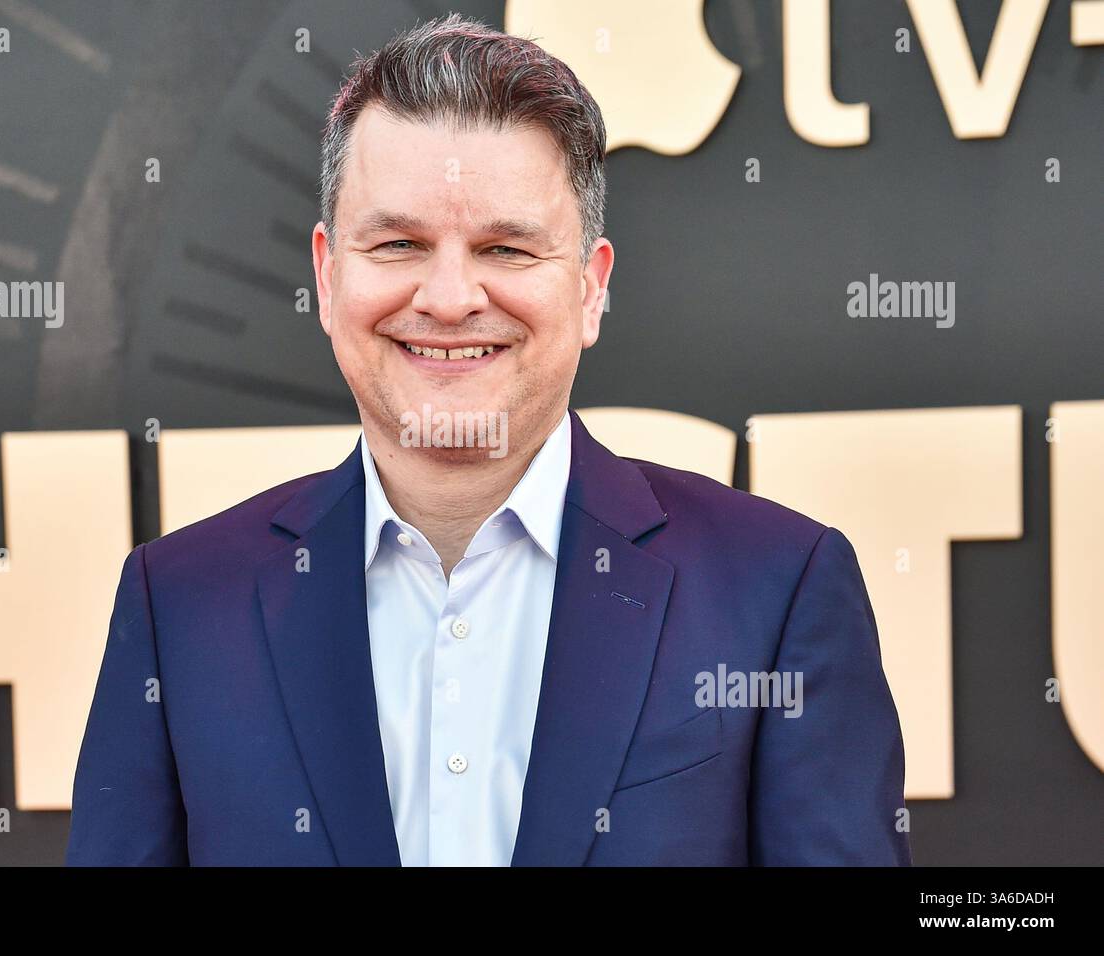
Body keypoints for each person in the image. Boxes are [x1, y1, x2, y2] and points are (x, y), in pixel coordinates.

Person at [66, 12, 910, 866]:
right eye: (398, 243)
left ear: (589, 288)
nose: (449, 296)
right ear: (327, 276)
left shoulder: (776, 591)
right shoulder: (178, 607)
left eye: (506, 248)